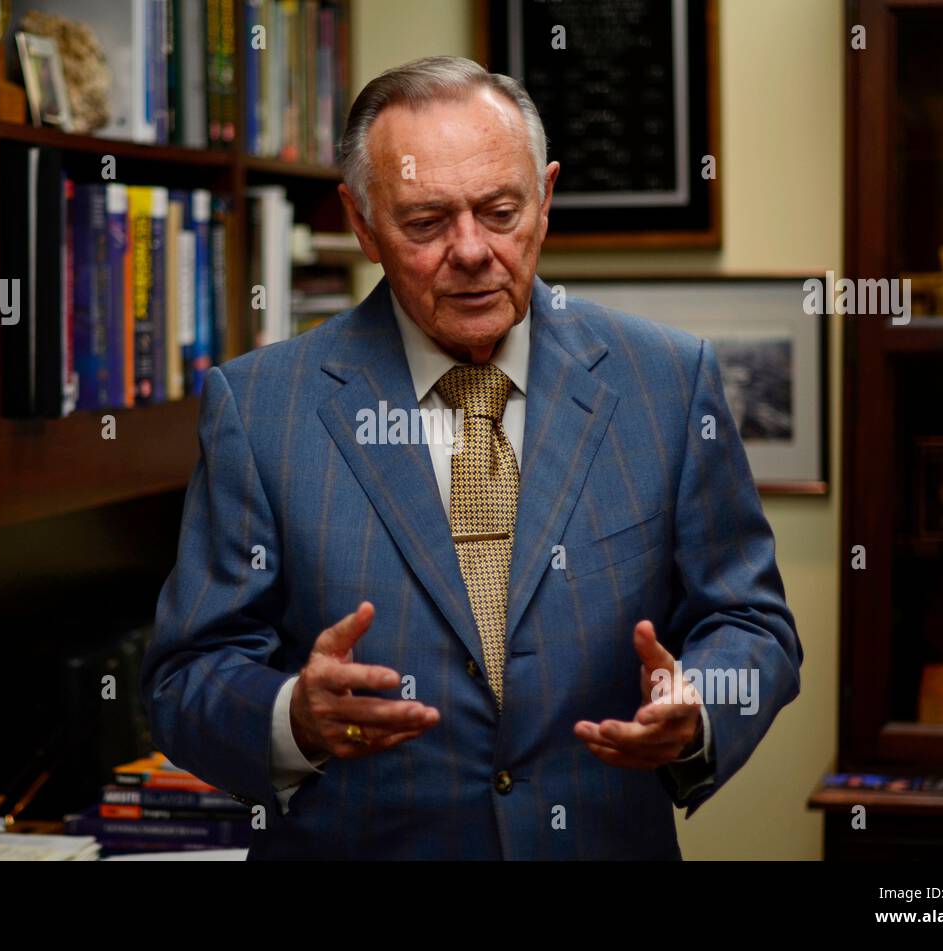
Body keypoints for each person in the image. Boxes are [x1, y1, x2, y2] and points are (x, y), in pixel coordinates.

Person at [142, 56, 803, 860]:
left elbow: (752, 621)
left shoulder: (666, 381)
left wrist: (700, 703)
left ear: (546, 198)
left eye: (499, 210)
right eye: (425, 222)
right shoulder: (261, 409)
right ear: (361, 222)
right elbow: (186, 678)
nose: (472, 250)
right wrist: (292, 714)